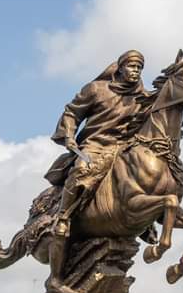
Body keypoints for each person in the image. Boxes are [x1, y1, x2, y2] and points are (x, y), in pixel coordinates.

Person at [45, 50, 150, 244]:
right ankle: (63, 216)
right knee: (81, 169)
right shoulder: (96, 89)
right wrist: (69, 135)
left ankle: (147, 220)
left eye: (139, 68)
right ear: (120, 68)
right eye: (132, 66)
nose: (136, 71)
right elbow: (72, 113)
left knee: (149, 172)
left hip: (124, 148)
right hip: (96, 145)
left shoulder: (143, 98)